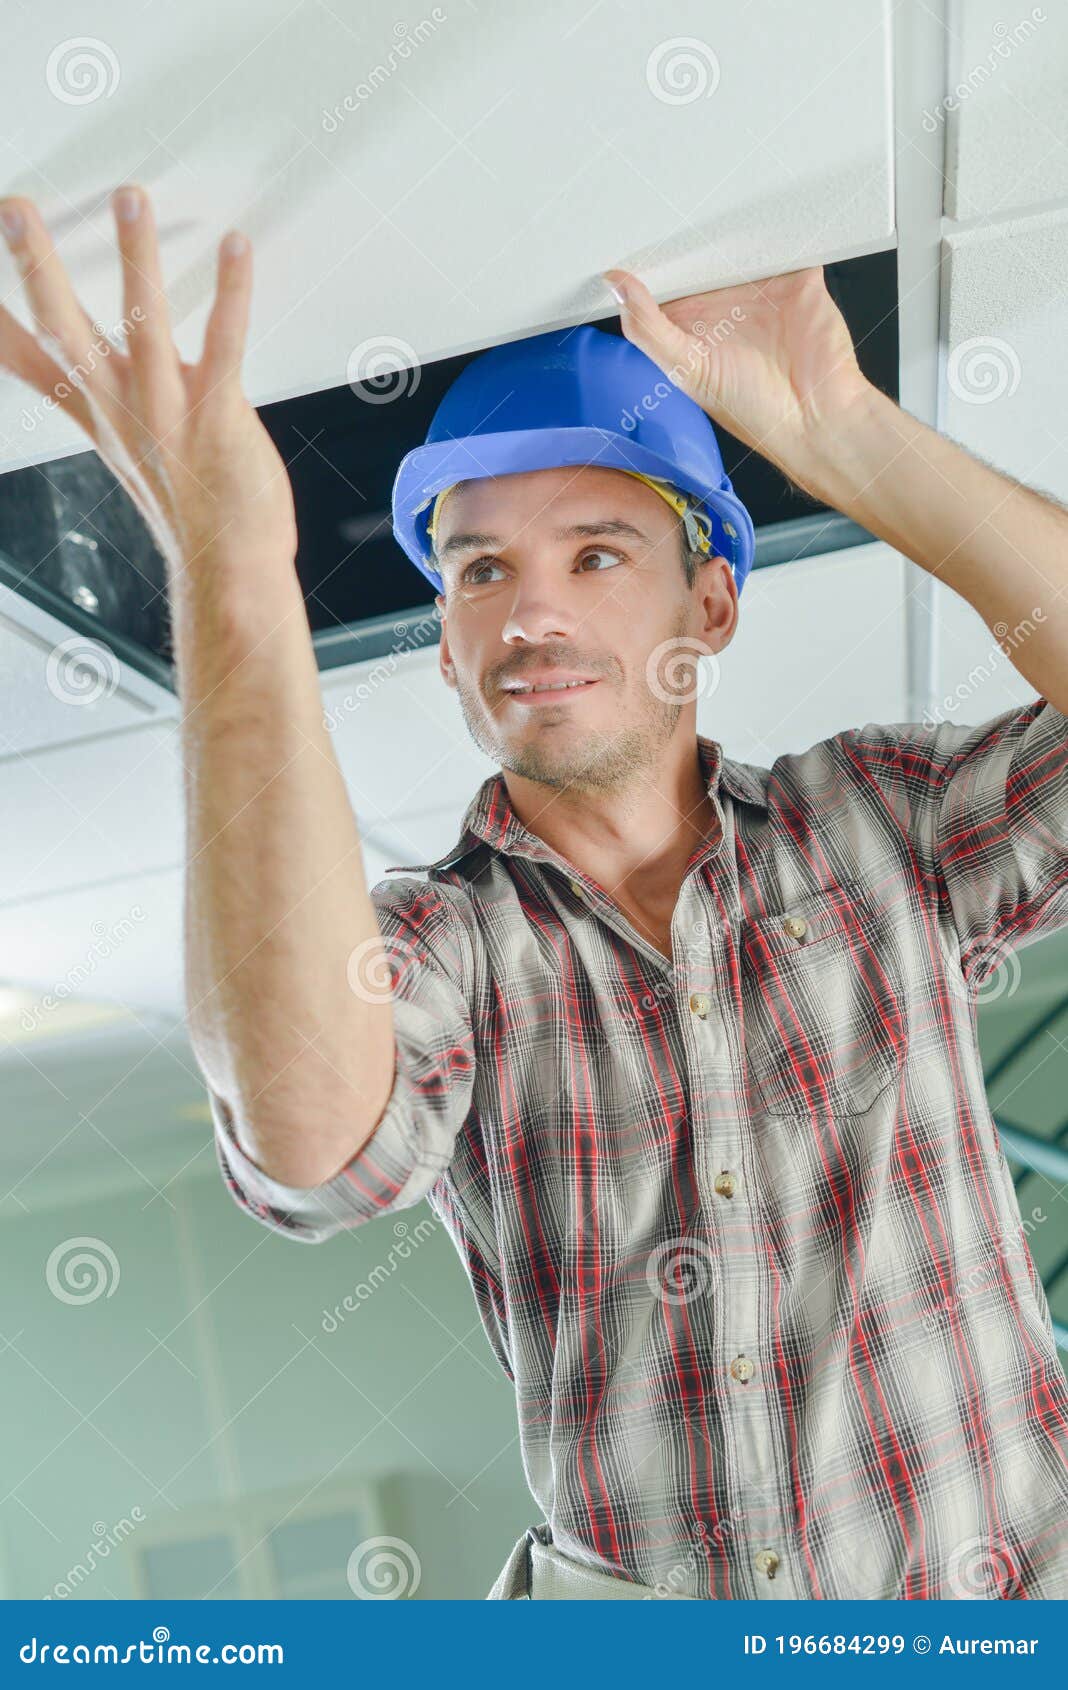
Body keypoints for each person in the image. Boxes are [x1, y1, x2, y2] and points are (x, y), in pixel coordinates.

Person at [2, 185, 1066, 1602]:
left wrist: (837, 426)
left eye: (597, 554)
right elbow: (313, 1138)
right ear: (443, 644)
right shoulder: (446, 946)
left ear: (713, 606)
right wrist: (235, 567)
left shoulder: (879, 819)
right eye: (481, 568)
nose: (530, 612)